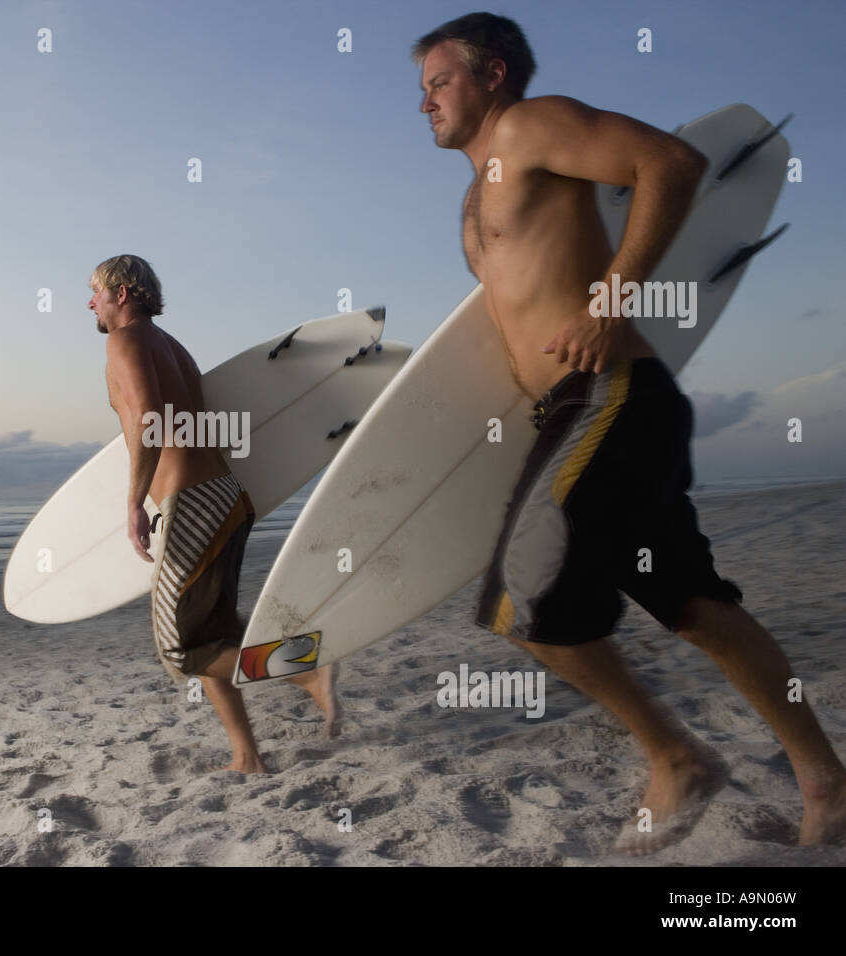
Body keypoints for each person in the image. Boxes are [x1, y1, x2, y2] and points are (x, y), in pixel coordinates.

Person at [413, 12, 845, 852]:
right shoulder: (483, 183)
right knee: (696, 609)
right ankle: (827, 781)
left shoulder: (532, 124)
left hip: (607, 394)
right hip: (595, 408)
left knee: (522, 601)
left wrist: (612, 301)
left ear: (493, 74)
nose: (423, 100)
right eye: (422, 87)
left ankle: (675, 756)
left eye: (439, 81)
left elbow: (670, 162)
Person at [89, 254, 339, 774]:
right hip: (225, 495)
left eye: (95, 291)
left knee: (180, 647)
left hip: (195, 503)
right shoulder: (171, 346)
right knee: (213, 636)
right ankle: (246, 756)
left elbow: (150, 417)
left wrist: (134, 502)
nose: (89, 303)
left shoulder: (125, 340)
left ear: (123, 293)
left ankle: (306, 674)